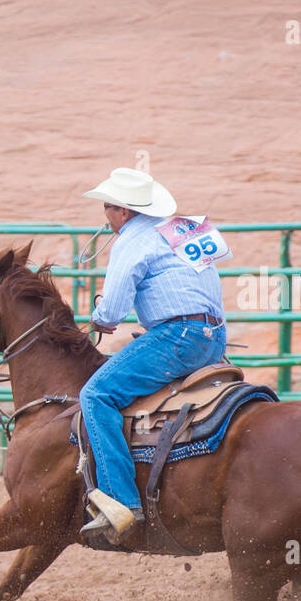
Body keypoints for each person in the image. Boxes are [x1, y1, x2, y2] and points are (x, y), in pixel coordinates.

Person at [77, 167, 227, 541]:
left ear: (123, 212)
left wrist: (99, 319)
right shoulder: (184, 228)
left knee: (95, 395)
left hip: (178, 336)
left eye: (107, 208)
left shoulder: (131, 239)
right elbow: (206, 284)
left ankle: (122, 503)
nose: (105, 216)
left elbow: (112, 310)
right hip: (215, 336)